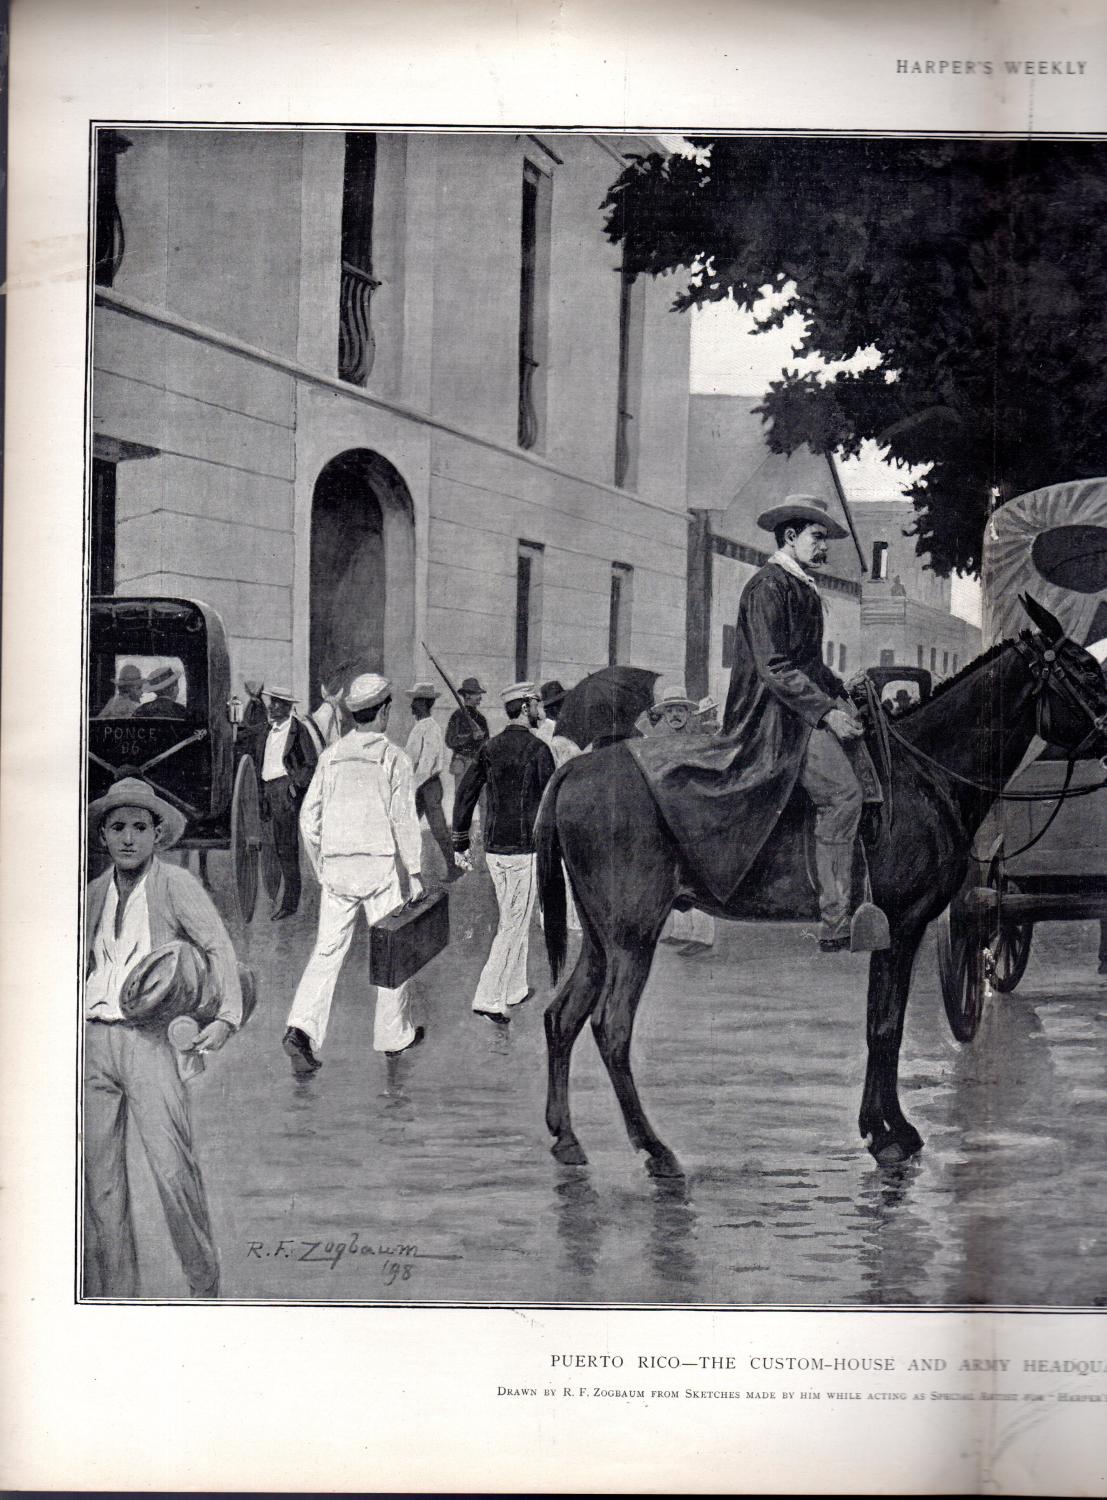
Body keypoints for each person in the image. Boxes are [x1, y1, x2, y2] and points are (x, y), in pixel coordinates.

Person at [84, 777, 243, 1299]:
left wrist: (224, 1019)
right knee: (99, 1183)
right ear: (104, 836)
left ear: (157, 835)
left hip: (150, 1043)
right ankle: (111, 1298)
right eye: (117, 828)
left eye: (139, 827)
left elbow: (219, 948)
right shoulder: (91, 894)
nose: (128, 838)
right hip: (92, 1043)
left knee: (173, 1171)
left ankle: (204, 1288)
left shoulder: (176, 885)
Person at [729, 493, 876, 952]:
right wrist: (829, 712)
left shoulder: (802, 587)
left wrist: (843, 691)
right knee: (844, 796)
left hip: (800, 707)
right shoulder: (767, 587)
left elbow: (808, 664)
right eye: (818, 537)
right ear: (790, 537)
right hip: (771, 715)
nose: (825, 547)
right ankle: (836, 921)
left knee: (871, 770)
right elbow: (775, 668)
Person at [282, 673, 425, 1074]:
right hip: (379, 867)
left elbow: (309, 819)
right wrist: (413, 871)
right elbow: (404, 821)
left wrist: (321, 864)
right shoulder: (393, 757)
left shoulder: (331, 756)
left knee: (327, 952)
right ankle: (392, 1036)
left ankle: (300, 1030)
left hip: (339, 869)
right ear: (381, 711)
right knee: (392, 951)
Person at [453, 682, 555, 1023]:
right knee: (514, 922)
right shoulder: (539, 751)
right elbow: (551, 805)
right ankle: (488, 997)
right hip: (525, 850)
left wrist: (460, 841)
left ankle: (515, 987)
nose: (540, 710)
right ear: (525, 708)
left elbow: (465, 794)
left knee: (515, 917)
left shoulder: (490, 748)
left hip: (495, 848)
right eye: (537, 704)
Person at [259, 688, 319, 920]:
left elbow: (311, 763)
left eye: (277, 703)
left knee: (286, 848)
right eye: (271, 702)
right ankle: (275, 893)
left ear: (287, 707)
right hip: (266, 790)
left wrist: (295, 785)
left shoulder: (298, 730)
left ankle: (290, 903)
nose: (272, 707)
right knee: (270, 846)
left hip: (285, 791)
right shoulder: (267, 730)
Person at [404, 680, 458, 881]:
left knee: (438, 828)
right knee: (409, 825)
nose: (411, 706)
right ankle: (411, 870)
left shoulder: (431, 728)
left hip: (428, 786)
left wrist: (411, 788)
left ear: (424, 704)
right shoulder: (419, 727)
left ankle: (454, 866)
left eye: (415, 702)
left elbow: (426, 765)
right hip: (420, 785)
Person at [445, 676, 490, 821]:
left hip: (479, 764)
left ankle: (484, 839)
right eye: (477, 694)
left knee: (485, 802)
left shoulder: (481, 719)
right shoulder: (457, 716)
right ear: (467, 695)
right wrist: (470, 737)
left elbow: (487, 743)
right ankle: (462, 840)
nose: (480, 698)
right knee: (463, 803)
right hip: (463, 763)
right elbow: (450, 741)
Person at [236, 678, 269, 767]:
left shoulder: (257, 705)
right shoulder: (252, 704)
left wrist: (245, 730)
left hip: (257, 740)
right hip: (251, 738)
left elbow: (261, 724)